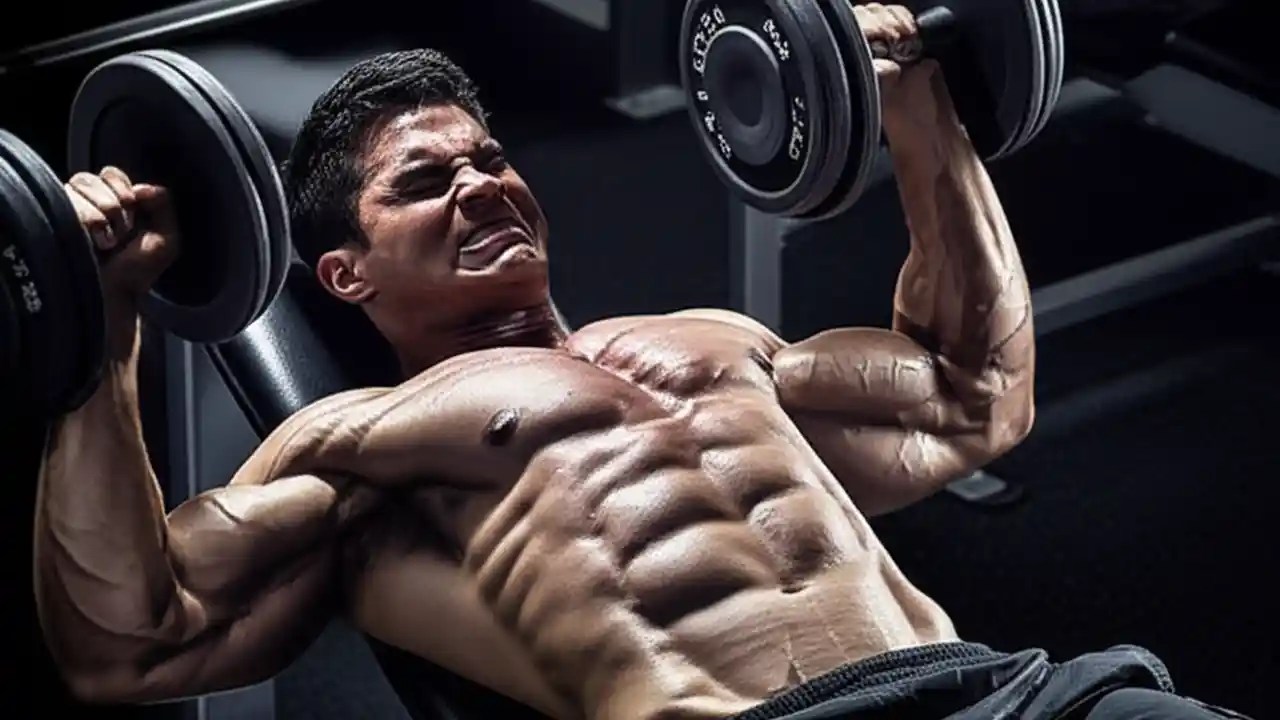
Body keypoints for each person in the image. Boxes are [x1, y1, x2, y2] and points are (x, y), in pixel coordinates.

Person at [32, 5, 1247, 720]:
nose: (481, 183)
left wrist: (921, 101)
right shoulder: (361, 442)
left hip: (1002, 693)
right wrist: (107, 318)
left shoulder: (713, 342)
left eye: (490, 159)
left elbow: (974, 396)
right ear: (345, 274)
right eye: (425, 181)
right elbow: (131, 639)